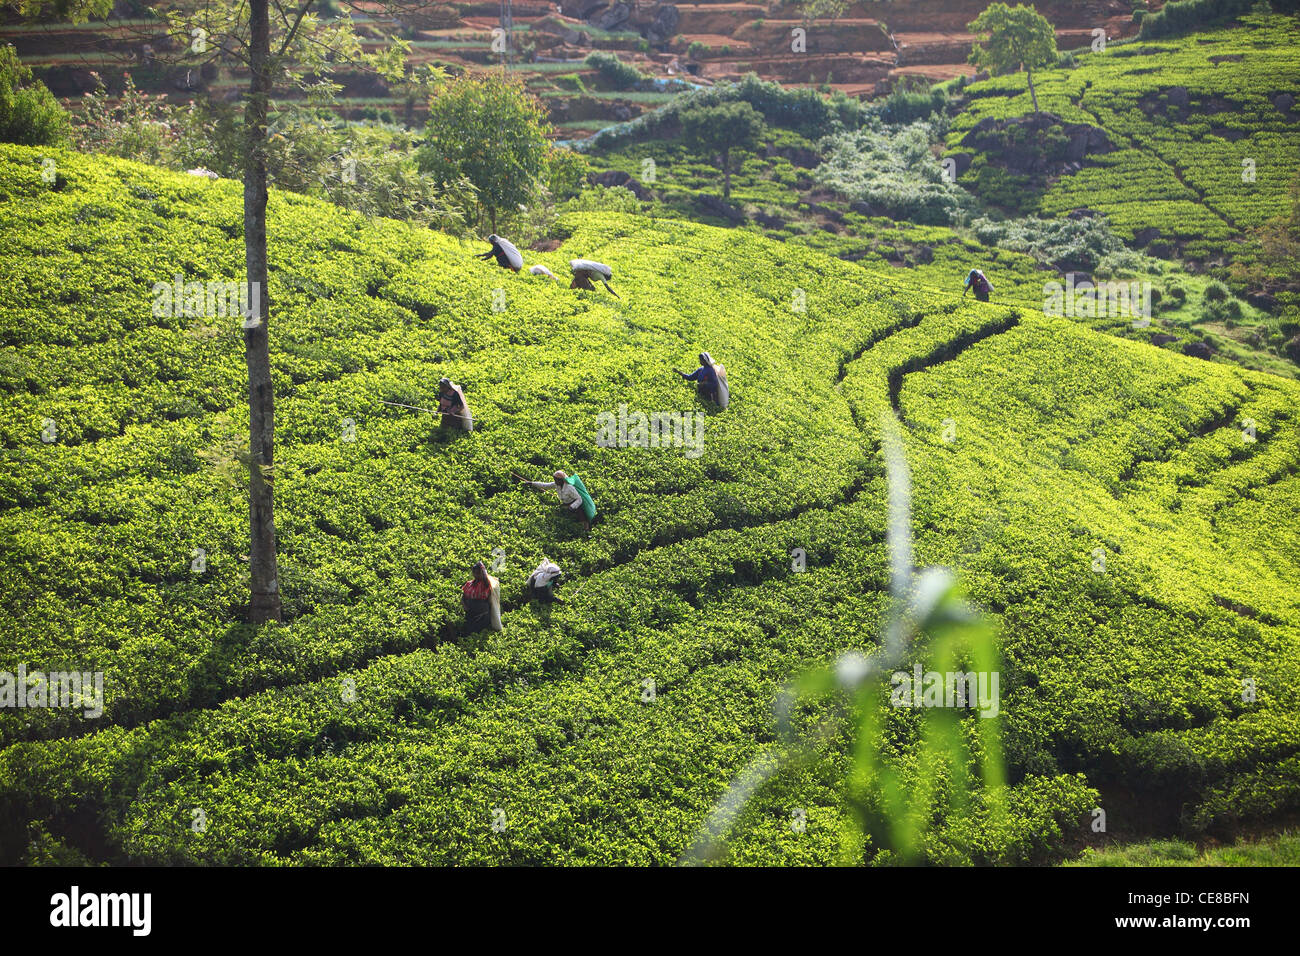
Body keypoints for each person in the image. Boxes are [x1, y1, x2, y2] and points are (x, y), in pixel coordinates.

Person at [521, 469, 597, 531]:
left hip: (575, 504)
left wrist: (572, 506)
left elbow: (579, 499)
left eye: (556, 479)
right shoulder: (556, 485)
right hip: (566, 504)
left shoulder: (569, 488)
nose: (555, 481)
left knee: (582, 517)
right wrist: (531, 483)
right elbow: (545, 485)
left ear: (561, 480)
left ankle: (586, 530)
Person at [461, 560, 502, 632]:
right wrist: (465, 606)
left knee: (479, 631)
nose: (476, 575)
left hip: (482, 614)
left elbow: (491, 594)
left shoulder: (487, 584)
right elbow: (463, 597)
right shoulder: (469, 584)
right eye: (475, 573)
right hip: (470, 612)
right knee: (469, 631)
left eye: (478, 573)